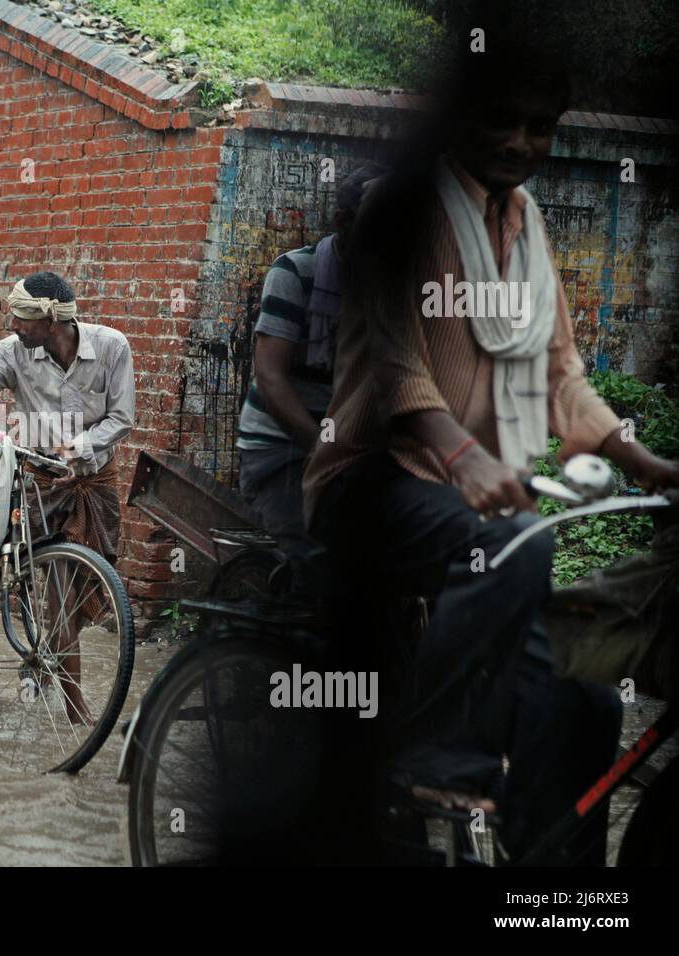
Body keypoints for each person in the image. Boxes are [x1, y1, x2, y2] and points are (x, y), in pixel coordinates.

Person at [303, 42, 679, 862]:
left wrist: (642, 460)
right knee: (514, 540)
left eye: (538, 127)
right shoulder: (402, 209)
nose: (518, 141)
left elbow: (560, 374)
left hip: (473, 503)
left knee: (583, 700)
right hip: (376, 480)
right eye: (499, 119)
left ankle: (552, 896)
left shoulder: (530, 225)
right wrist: (465, 455)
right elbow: (398, 358)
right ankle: (436, 761)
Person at [0, 271, 135, 722]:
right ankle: (78, 714)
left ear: (51, 319)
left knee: (81, 592)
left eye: (22, 317)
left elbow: (121, 418)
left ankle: (44, 656)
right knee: (59, 589)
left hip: (94, 486)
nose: (14, 325)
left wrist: (77, 448)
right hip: (42, 484)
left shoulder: (112, 348)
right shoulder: (14, 353)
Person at [235, 165, 381, 595]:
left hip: (354, 450)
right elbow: (270, 375)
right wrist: (324, 448)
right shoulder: (295, 273)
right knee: (317, 562)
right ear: (343, 223)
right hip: (282, 450)